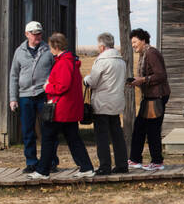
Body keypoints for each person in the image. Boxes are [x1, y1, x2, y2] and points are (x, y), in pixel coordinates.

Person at [31, 33, 95, 178]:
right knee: (73, 139)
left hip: (60, 109)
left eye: (51, 46)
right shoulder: (68, 60)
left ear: (56, 46)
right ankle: (86, 167)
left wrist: (48, 87)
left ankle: (42, 171)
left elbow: (63, 86)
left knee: (47, 137)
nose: (50, 49)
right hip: (68, 109)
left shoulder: (64, 62)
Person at [9, 20, 55, 174]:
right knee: (28, 131)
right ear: (27, 34)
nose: (38, 36)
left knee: (48, 130)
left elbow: (56, 73)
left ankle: (50, 161)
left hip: (44, 95)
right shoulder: (19, 52)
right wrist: (13, 98)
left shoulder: (49, 50)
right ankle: (31, 162)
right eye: (34, 34)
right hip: (25, 96)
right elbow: (14, 76)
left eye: (40, 33)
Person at [84, 32, 129, 175]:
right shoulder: (121, 61)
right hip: (116, 102)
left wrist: (86, 79)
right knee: (117, 134)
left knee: (102, 136)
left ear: (102, 47)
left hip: (102, 102)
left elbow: (93, 81)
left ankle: (105, 165)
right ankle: (122, 164)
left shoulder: (101, 61)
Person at [129, 28, 170, 171]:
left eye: (135, 42)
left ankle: (157, 162)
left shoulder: (151, 53)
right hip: (149, 96)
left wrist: (142, 80)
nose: (133, 45)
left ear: (143, 40)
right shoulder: (144, 53)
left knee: (152, 129)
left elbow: (161, 75)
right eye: (132, 43)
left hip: (156, 96)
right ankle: (135, 159)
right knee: (140, 127)